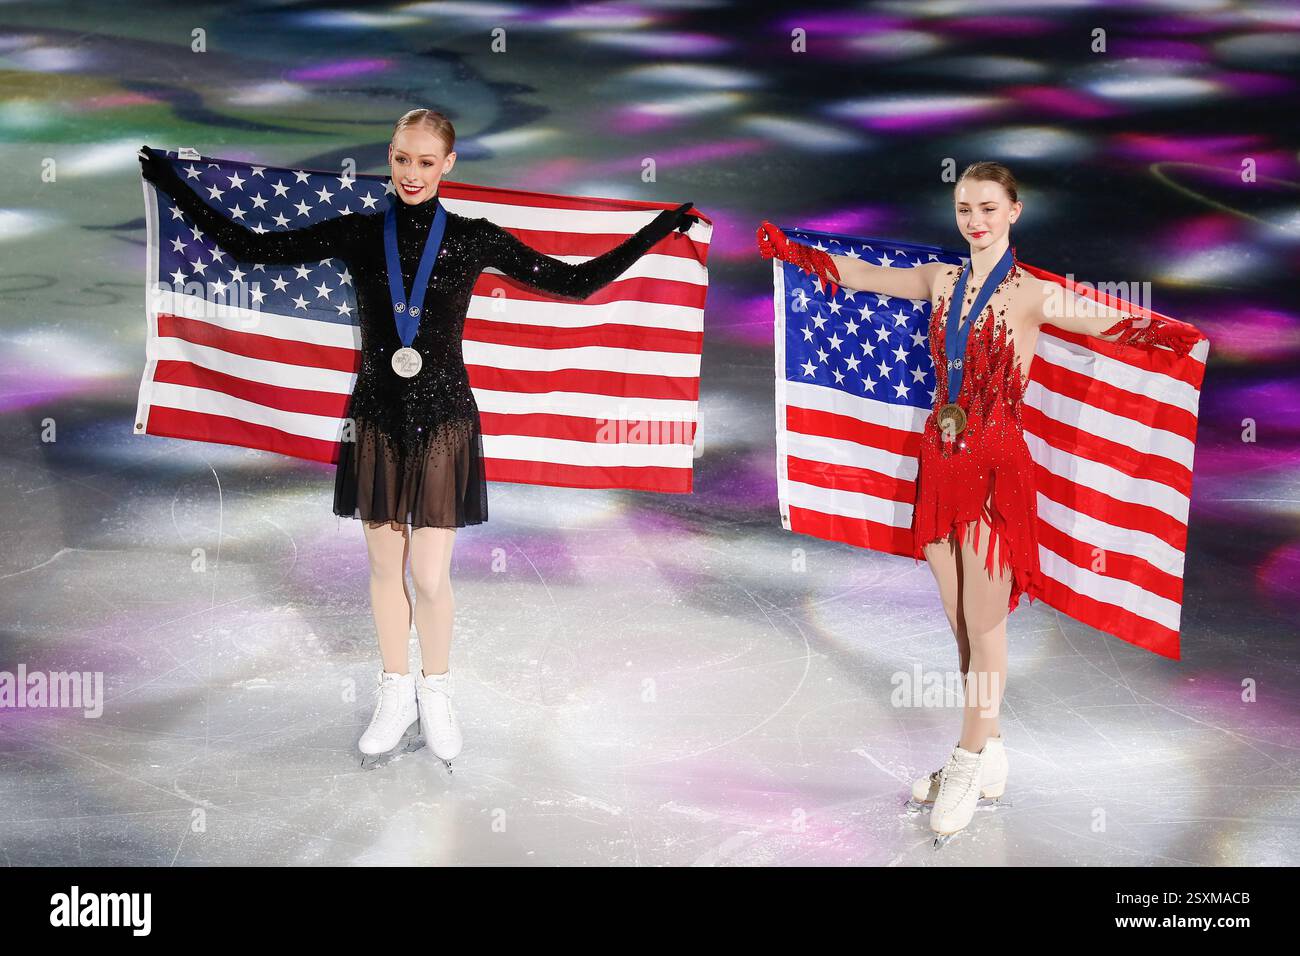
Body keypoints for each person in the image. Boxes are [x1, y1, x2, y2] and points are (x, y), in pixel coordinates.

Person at [139, 108, 700, 771]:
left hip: (444, 419)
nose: (411, 173)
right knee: (383, 568)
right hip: (377, 414)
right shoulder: (358, 233)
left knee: (429, 577)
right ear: (391, 155)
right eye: (402, 158)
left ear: (448, 165)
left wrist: (658, 230)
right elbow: (254, 247)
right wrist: (175, 186)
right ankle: (395, 690)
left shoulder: (472, 238)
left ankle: (436, 690)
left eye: (425, 162)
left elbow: (574, 283)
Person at [757, 161, 1198, 841]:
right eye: (966, 208)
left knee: (986, 624)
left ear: (1014, 212)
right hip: (940, 462)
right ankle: (989, 746)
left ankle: (966, 760)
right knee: (962, 622)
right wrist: (798, 254)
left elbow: (1105, 323)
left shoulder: (1030, 295)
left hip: (996, 469)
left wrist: (1166, 335)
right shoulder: (942, 280)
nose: (976, 220)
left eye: (989, 208)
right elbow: (869, 276)